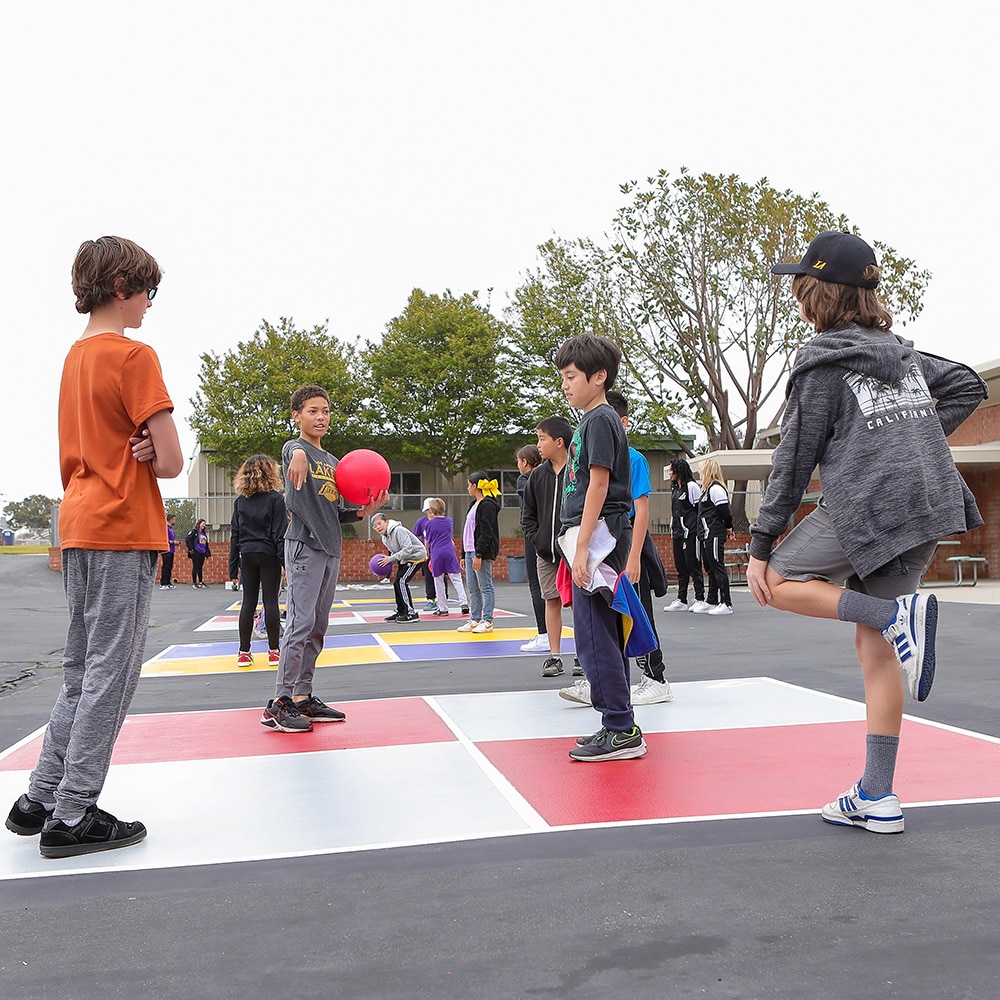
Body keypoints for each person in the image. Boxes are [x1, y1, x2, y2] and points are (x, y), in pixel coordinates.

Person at [747, 230, 987, 834]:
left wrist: (759, 545)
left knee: (779, 580)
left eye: (801, 284)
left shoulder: (821, 366)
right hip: (928, 502)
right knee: (877, 651)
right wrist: (910, 439)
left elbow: (792, 463)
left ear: (816, 293)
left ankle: (893, 616)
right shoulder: (904, 356)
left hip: (873, 502)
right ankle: (877, 796)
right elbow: (967, 384)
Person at [5, 235, 183, 858]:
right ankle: (74, 809)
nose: (150, 303)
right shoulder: (134, 356)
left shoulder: (74, 358)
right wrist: (150, 450)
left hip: (79, 522)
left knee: (82, 668)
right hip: (123, 525)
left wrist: (140, 444)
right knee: (113, 670)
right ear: (122, 287)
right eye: (148, 291)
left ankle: (41, 796)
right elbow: (172, 461)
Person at [260, 385, 386, 734]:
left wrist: (363, 512)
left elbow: (335, 512)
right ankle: (280, 701)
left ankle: (302, 697)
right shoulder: (295, 450)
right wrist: (298, 451)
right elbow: (290, 450)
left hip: (330, 547)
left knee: (317, 626)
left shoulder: (333, 463)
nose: (321, 417)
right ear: (297, 416)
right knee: (300, 623)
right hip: (304, 545)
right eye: (312, 411)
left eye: (326, 411)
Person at [554, 333, 646, 761]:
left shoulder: (600, 420)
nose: (565, 385)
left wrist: (582, 548)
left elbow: (599, 483)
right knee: (600, 633)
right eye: (563, 377)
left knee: (594, 634)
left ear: (599, 377)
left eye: (572, 376)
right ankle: (617, 722)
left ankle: (621, 728)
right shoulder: (592, 421)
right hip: (597, 535)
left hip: (600, 537)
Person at [521, 416, 581, 678]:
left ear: (559, 441)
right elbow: (528, 516)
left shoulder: (579, 472)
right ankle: (554, 656)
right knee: (551, 600)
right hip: (546, 553)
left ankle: (582, 655)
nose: (538, 445)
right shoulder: (537, 476)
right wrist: (538, 539)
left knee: (579, 603)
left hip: (575, 552)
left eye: (542, 439)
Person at [228, 454, 287, 668]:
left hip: (247, 554)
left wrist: (232, 567)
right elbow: (280, 533)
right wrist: (285, 562)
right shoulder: (275, 499)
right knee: (270, 602)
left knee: (248, 602)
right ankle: (274, 652)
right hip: (268, 554)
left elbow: (235, 534)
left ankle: (244, 652)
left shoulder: (240, 502)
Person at [456, 472, 500, 634]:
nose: (468, 488)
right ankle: (474, 619)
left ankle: (487, 620)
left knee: (485, 586)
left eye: (469, 485)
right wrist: (463, 554)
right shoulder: (474, 504)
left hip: (479, 551)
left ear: (475, 486)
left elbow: (486, 531)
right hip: (469, 550)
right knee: (473, 587)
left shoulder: (487, 505)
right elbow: (468, 530)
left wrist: (479, 554)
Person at [663, 458, 709, 613]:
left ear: (679, 470)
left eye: (672, 470)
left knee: (693, 564)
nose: (670, 473)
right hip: (677, 532)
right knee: (681, 567)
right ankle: (681, 599)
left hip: (691, 533)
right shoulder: (676, 489)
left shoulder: (691, 487)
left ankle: (700, 598)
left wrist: (695, 528)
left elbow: (699, 509)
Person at [516, 443, 549, 652]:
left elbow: (528, 508)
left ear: (524, 462)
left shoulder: (525, 479)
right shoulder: (550, 475)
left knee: (537, 584)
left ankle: (544, 634)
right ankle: (548, 633)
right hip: (553, 532)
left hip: (535, 535)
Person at [372, 512, 427, 623]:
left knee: (401, 581)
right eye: (375, 526)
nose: (378, 527)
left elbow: (408, 549)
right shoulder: (384, 538)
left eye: (379, 523)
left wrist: (390, 559)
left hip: (416, 556)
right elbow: (395, 552)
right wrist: (387, 562)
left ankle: (411, 613)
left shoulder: (398, 530)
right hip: (406, 558)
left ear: (387, 522)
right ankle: (401, 611)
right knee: (397, 583)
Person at [697, 458, 735, 615]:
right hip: (706, 534)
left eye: (701, 469)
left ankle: (726, 602)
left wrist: (729, 528)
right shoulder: (705, 490)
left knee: (717, 566)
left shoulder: (716, 489)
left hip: (714, 533)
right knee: (710, 567)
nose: (699, 472)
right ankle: (711, 600)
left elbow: (725, 512)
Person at [423, 498, 469, 615]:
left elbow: (427, 541)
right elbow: (450, 538)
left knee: (439, 581)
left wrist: (427, 553)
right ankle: (464, 602)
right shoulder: (449, 521)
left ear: (432, 510)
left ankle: (443, 608)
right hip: (449, 551)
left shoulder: (429, 524)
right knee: (456, 578)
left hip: (436, 553)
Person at [413, 499, 439, 611]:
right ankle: (431, 599)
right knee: (428, 576)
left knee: (441, 576)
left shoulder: (441, 521)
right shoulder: (422, 522)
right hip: (427, 553)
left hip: (439, 552)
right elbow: (415, 536)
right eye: (429, 509)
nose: (431, 512)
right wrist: (420, 548)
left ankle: (442, 599)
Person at [186, 518, 211, 588]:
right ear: (199, 524)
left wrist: (207, 552)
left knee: (200, 567)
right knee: (195, 567)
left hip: (202, 552)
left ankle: (200, 582)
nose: (203, 525)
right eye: (202, 524)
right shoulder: (194, 532)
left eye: (204, 524)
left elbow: (205, 543)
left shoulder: (203, 533)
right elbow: (188, 539)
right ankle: (194, 582)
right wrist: (191, 548)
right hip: (196, 551)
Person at [159, 514, 177, 589]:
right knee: (166, 566)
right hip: (166, 550)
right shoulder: (165, 528)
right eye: (174, 519)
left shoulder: (171, 528)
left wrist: (175, 542)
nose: (175, 521)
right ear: (170, 519)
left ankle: (168, 582)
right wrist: (172, 542)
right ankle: (163, 583)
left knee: (169, 566)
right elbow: (165, 539)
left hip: (171, 550)